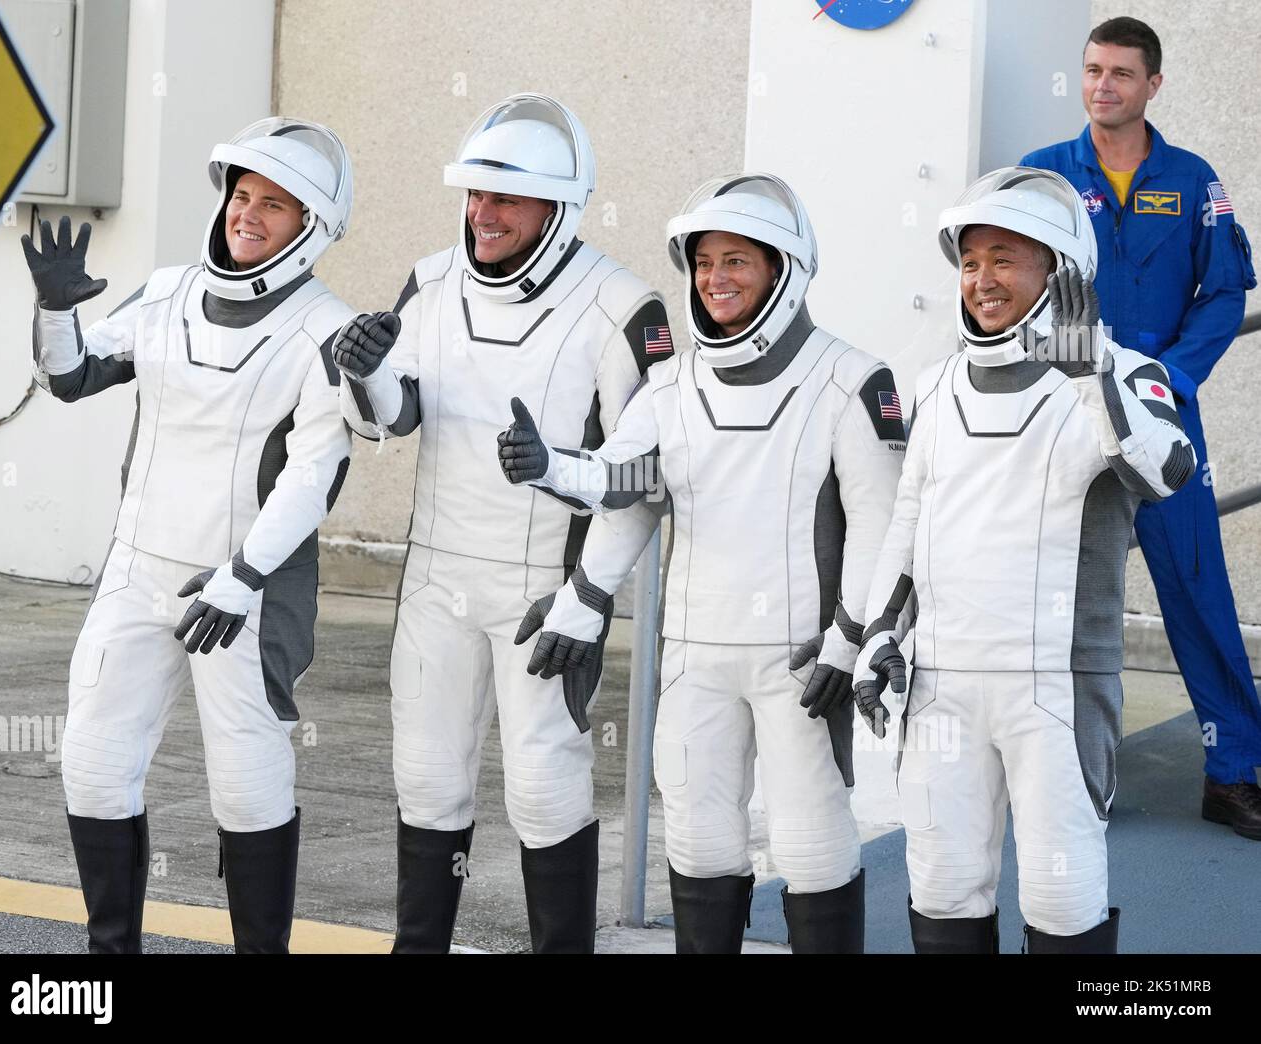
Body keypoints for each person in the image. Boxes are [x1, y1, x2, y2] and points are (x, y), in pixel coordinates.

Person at [497, 173, 905, 953]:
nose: (714, 280)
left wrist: (850, 639)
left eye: (736, 263)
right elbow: (624, 486)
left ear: (783, 273)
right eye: (705, 263)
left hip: (801, 660)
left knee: (812, 845)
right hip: (692, 658)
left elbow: (882, 530)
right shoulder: (670, 383)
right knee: (699, 843)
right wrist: (551, 468)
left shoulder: (850, 379)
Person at [332, 94, 671, 953]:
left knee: (545, 790)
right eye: (474, 195)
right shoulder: (431, 278)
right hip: (435, 580)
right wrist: (365, 376)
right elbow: (391, 418)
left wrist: (590, 600)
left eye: (504, 199)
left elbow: (644, 480)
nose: (481, 214)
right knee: (428, 782)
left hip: (544, 597)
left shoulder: (624, 308)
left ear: (557, 208)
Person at [21, 118, 357, 953]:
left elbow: (316, 474)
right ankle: (108, 961)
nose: (248, 215)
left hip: (248, 591)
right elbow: (68, 378)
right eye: (242, 196)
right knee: (95, 768)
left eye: (273, 205)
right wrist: (55, 310)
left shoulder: (328, 329)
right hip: (136, 571)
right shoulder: (166, 291)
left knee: (247, 788)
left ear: (310, 227)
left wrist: (240, 578)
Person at [852, 167, 1195, 954]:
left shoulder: (1127, 372)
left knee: (1063, 898)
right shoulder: (935, 385)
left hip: (1058, 688)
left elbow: (1166, 474)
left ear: (1059, 267)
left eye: (1004, 258)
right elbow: (910, 520)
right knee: (942, 888)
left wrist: (1091, 376)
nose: (981, 279)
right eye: (971, 262)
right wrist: (879, 635)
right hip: (941, 685)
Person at [1023, 16, 1261, 839]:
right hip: (1065, 425)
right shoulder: (1042, 179)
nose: (1104, 86)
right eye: (1092, 70)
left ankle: (1232, 773)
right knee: (1058, 600)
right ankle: (1061, 772)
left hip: (1162, 424)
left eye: (1122, 73)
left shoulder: (1192, 181)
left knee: (1198, 595)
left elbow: (1223, 295)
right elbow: (1003, 293)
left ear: (1152, 84)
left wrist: (1171, 377)